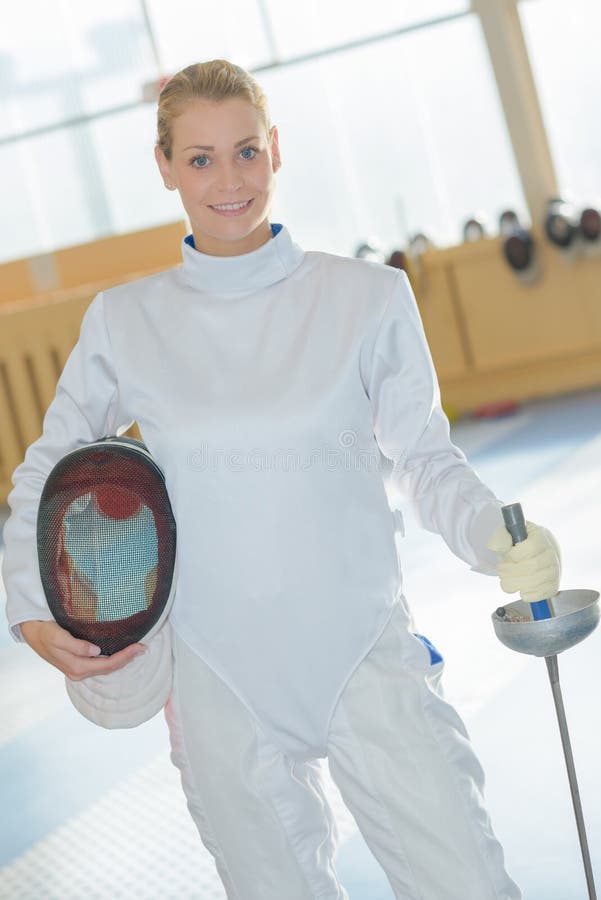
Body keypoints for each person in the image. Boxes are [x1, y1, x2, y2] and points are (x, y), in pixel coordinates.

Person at [2, 59, 561, 900]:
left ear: (276, 151)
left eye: (246, 151)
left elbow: (426, 459)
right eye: (199, 159)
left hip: (362, 647)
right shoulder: (126, 319)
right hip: (218, 673)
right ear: (164, 167)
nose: (229, 180)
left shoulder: (367, 298)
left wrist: (498, 537)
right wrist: (28, 608)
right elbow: (48, 467)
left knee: (468, 885)